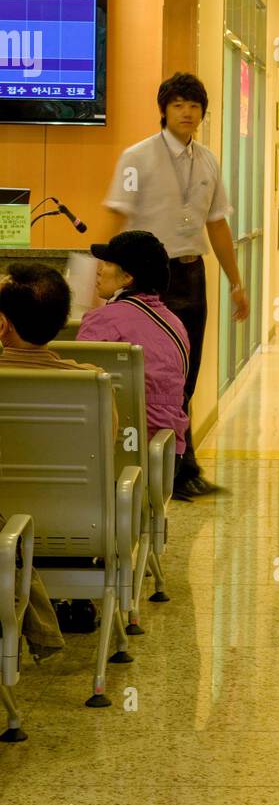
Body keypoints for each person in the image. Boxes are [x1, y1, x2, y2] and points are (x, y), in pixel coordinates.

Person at [103, 72, 249, 499]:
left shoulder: (207, 160)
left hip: (191, 273)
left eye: (195, 105)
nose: (187, 112)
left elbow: (217, 223)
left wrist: (236, 282)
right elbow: (117, 214)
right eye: (179, 104)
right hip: (149, 278)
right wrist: (105, 272)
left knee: (187, 373)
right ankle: (169, 469)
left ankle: (180, 465)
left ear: (203, 113)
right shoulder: (137, 157)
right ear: (164, 110)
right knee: (153, 377)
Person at [0, 263, 117, 659]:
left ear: (3, 325)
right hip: (78, 537)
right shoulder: (92, 383)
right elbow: (109, 448)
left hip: (5, 539)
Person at [76, 230, 191, 492]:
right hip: (167, 452)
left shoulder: (101, 321)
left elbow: (78, 390)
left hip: (120, 453)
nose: (99, 270)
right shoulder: (175, 323)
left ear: (127, 277)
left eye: (107, 264)